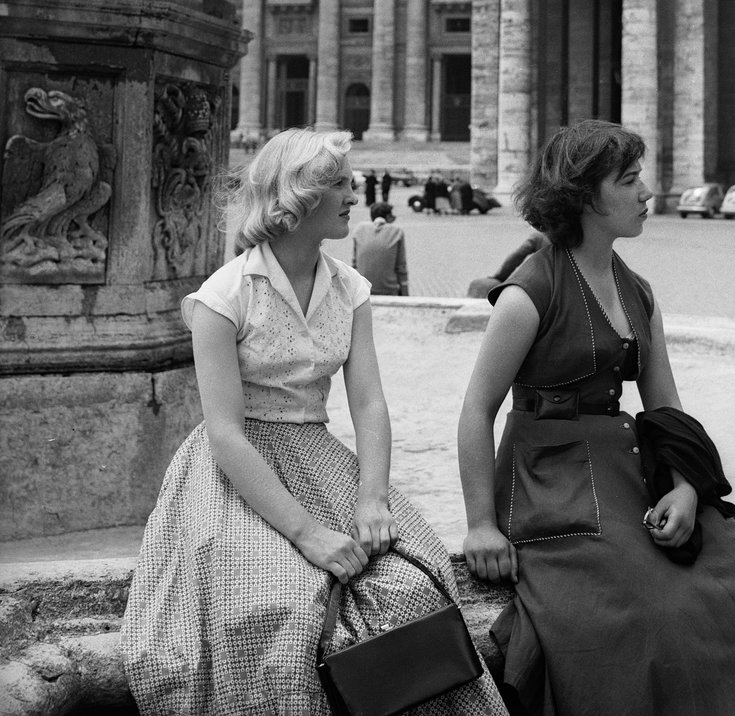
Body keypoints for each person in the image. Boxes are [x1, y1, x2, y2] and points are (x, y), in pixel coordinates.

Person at [123, 129, 505, 716]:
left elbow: (370, 404)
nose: (354, 194)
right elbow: (224, 432)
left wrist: (373, 497)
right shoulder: (222, 298)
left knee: (413, 584)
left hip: (319, 456)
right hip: (237, 473)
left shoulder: (349, 288)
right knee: (277, 606)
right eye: (338, 184)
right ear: (296, 197)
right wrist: (309, 534)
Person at [457, 119, 735, 716]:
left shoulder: (639, 292)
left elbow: (666, 407)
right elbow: (475, 411)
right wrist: (481, 526)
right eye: (630, 180)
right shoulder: (529, 292)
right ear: (586, 195)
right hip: (551, 485)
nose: (647, 192)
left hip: (628, 472)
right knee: (648, 617)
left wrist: (688, 488)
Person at [352, 201, 410, 296]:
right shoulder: (396, 232)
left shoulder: (359, 229)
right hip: (388, 289)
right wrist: (405, 294)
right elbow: (401, 266)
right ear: (387, 217)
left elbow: (355, 263)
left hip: (363, 288)